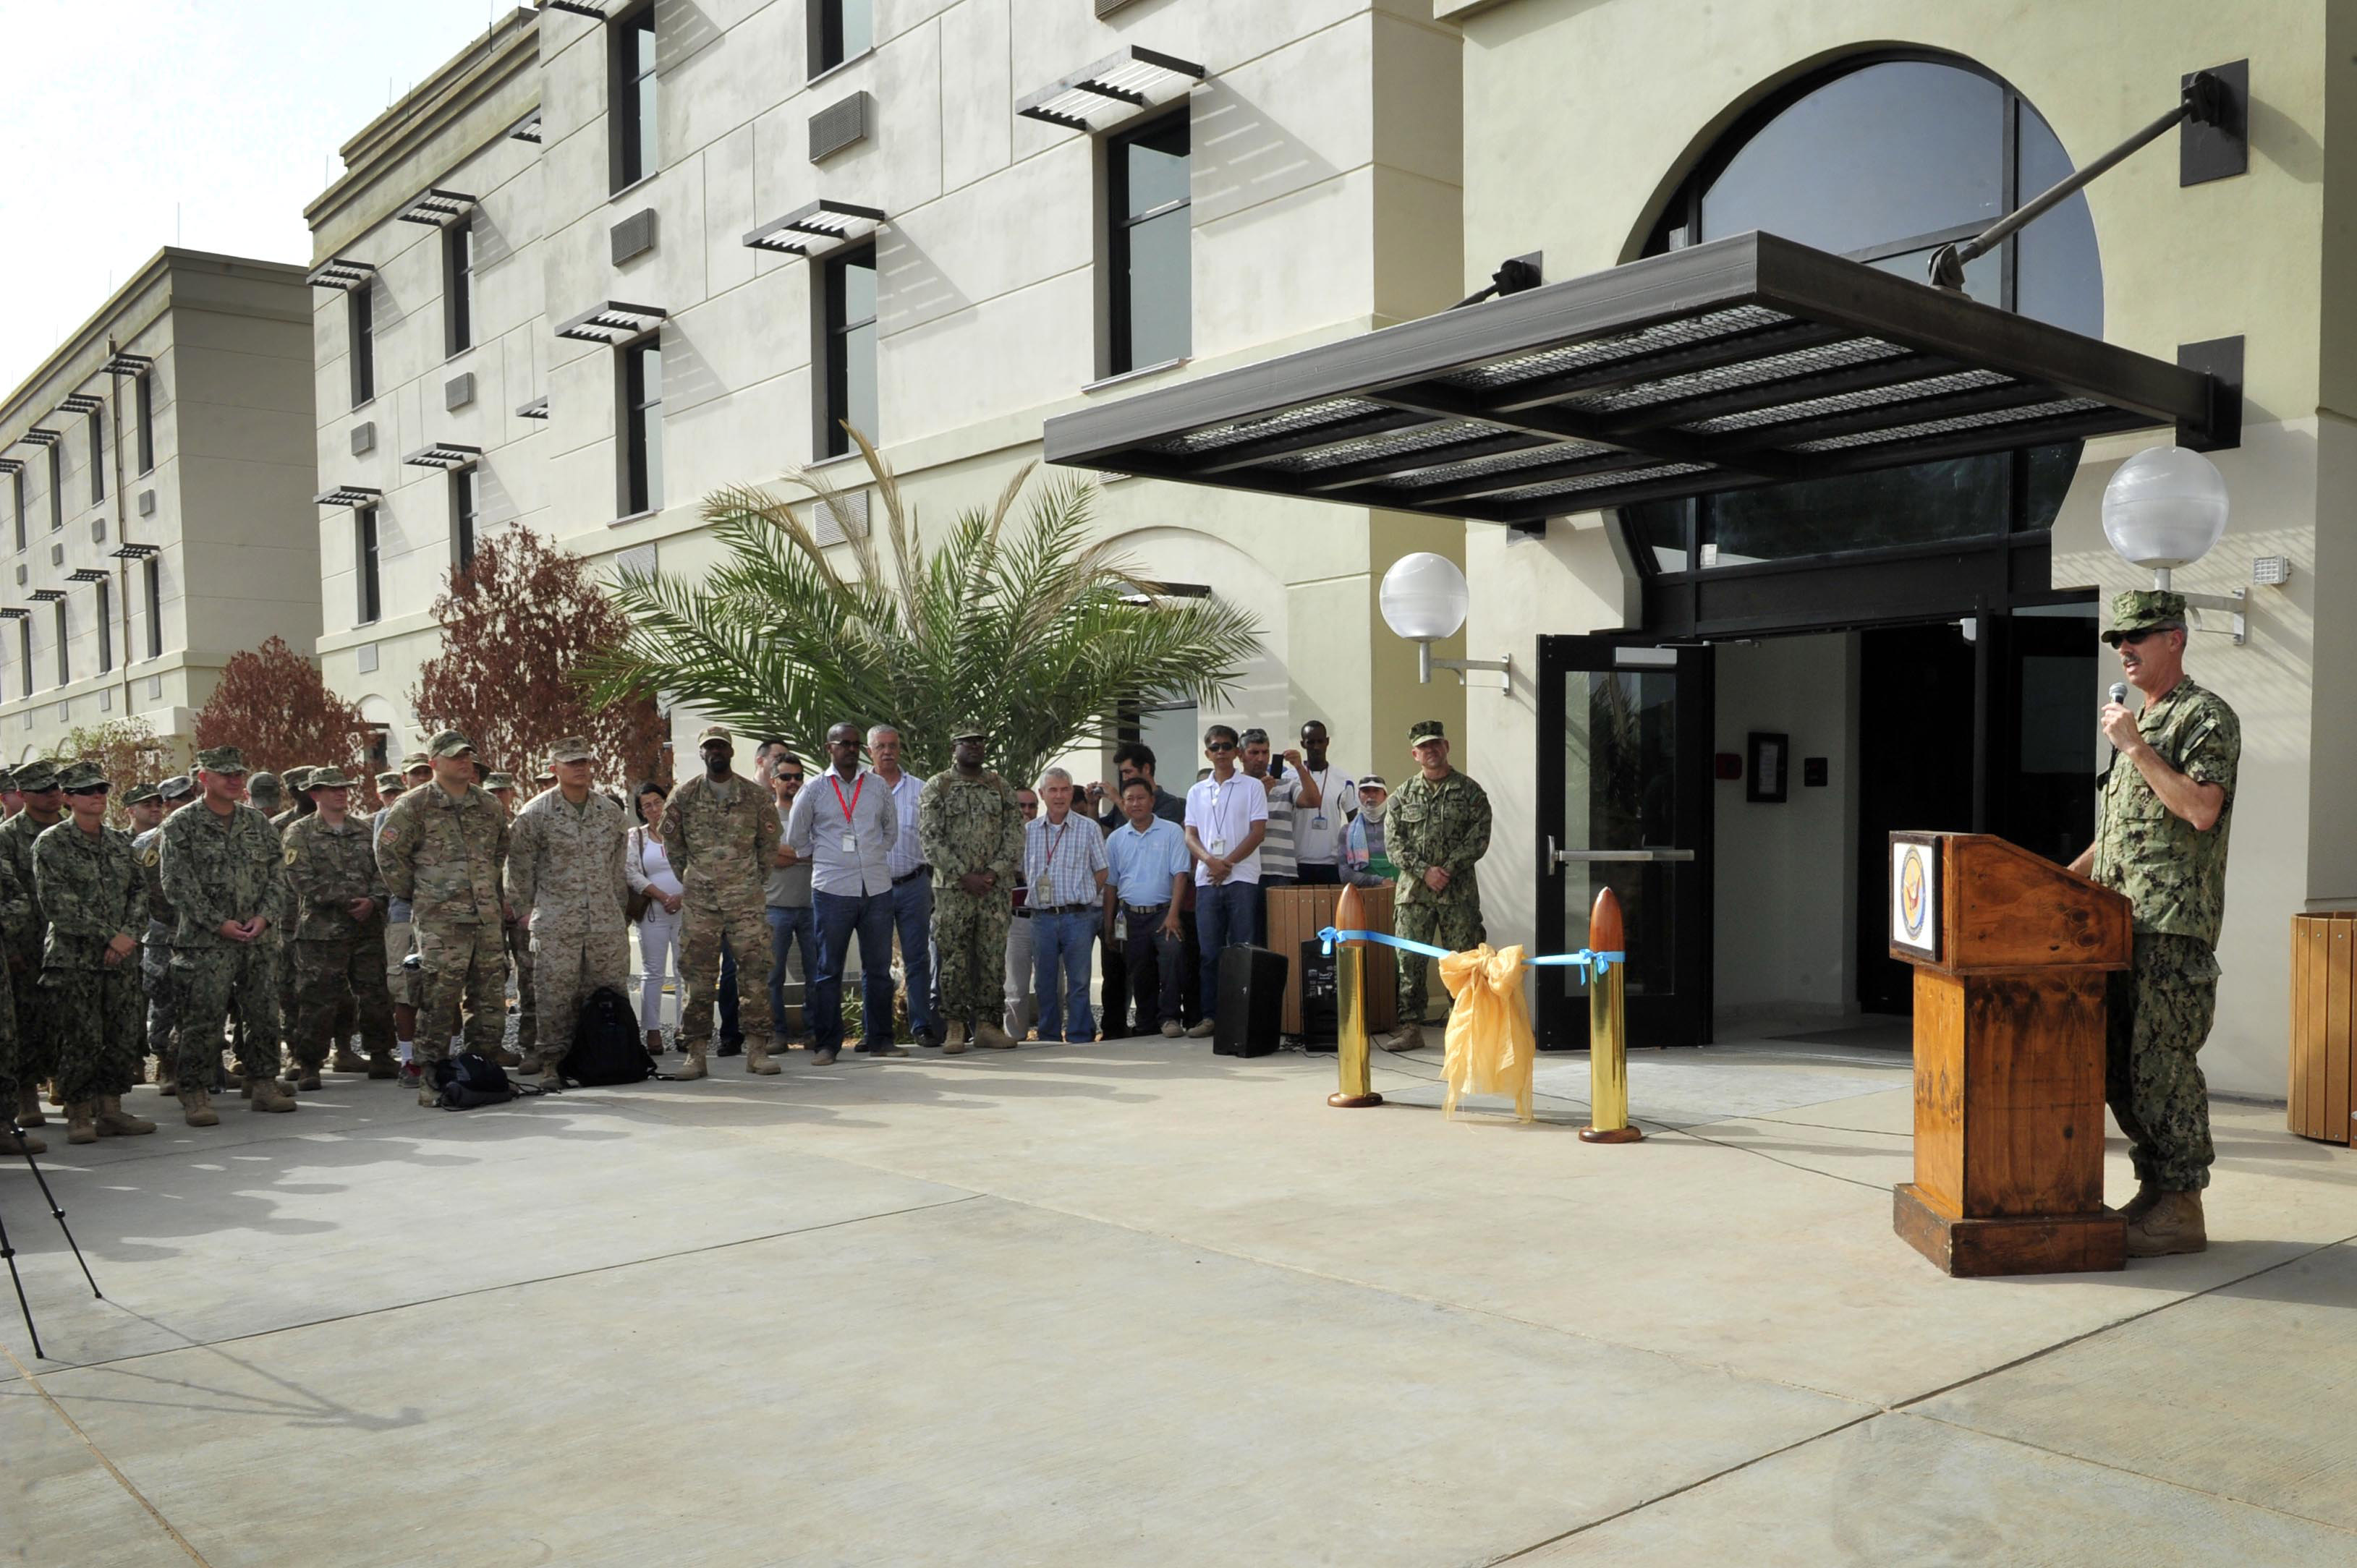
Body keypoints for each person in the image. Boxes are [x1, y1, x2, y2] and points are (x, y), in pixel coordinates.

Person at [2065, 589, 2241, 1258]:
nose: (2124, 648)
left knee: (2161, 1066)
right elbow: (2117, 839)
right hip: (2117, 927)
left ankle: (2182, 1206)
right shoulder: (2139, 721)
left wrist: (2136, 747)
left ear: (2177, 639)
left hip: (2170, 926)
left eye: (2138, 635)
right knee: (2118, 1067)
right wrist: (2059, 879)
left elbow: (2199, 810)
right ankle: (2155, 1192)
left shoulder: (2204, 717)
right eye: (2117, 639)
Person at [158, 746, 295, 1124]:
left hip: (258, 939)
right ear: (204, 778)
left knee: (264, 1013)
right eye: (225, 774)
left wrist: (266, 917)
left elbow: (277, 876)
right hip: (207, 941)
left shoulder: (258, 824)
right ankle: (196, 1091)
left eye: (239, 773)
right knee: (203, 1018)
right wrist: (218, 922)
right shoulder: (180, 825)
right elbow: (176, 884)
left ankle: (264, 1082)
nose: (235, 780)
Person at [375, 730, 511, 1105]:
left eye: (468, 755)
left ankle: (480, 1072)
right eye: (455, 757)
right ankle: (431, 1078)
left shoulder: (488, 805)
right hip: (440, 923)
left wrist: (484, 891)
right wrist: (422, 894)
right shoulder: (413, 806)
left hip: (485, 917)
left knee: (488, 1001)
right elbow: (390, 857)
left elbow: (500, 851)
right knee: (437, 1001)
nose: (465, 762)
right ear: (434, 763)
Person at [37, 760, 154, 1145]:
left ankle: (112, 1110)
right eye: (88, 791)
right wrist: (109, 936)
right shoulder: (52, 843)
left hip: (121, 958)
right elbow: (58, 903)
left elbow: (140, 892)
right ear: (68, 798)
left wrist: (128, 935)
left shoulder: (121, 843)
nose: (98, 796)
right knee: (80, 1038)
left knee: (121, 1034)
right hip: (75, 958)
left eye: (102, 789)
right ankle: (79, 1113)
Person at [506, 737, 632, 1088]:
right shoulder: (534, 815)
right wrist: (527, 913)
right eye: (570, 762)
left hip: (605, 924)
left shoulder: (610, 814)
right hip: (557, 924)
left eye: (584, 762)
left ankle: (606, 1059)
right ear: (553, 769)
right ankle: (552, 1065)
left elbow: (617, 870)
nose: (579, 768)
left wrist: (618, 913)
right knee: (554, 996)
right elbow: (518, 870)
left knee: (608, 994)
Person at [661, 725, 781, 1078]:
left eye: (721, 747)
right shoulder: (683, 797)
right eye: (709, 747)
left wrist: (749, 880)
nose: (716, 752)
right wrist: (696, 878)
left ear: (731, 752)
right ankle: (696, 1054)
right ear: (702, 754)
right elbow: (674, 849)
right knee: (698, 978)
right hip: (701, 903)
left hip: (745, 901)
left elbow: (769, 847)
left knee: (755, 974)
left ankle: (757, 1051)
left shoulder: (755, 797)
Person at [783, 721, 901, 1065]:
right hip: (832, 889)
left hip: (876, 887)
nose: (850, 749)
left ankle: (880, 1039)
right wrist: (829, 856)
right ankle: (827, 1045)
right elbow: (797, 839)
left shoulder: (877, 786)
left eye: (855, 744)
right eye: (843, 743)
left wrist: (871, 856)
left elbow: (889, 831)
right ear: (829, 747)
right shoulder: (815, 790)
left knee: (878, 969)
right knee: (828, 970)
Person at [281, 767, 398, 1088]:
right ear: (314, 794)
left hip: (366, 929)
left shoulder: (364, 830)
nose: (341, 793)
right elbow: (300, 880)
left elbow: (383, 871)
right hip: (322, 932)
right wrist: (349, 902)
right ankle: (309, 1064)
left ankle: (381, 1056)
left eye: (344, 788)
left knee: (375, 994)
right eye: (332, 789)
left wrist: (374, 901)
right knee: (318, 999)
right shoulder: (298, 833)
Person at [1379, 720, 1491, 1053]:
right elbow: (1394, 844)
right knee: (1410, 962)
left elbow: (1480, 837)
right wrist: (1425, 871)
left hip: (1459, 895)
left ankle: (1465, 1029)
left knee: (1464, 961)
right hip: (1414, 895)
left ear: (1446, 747)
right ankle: (1411, 1027)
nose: (1431, 751)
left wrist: (1449, 869)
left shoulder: (1471, 792)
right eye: (1424, 747)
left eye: (1436, 744)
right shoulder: (1401, 797)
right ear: (1415, 754)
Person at [918, 724, 1024, 1052]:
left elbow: (1015, 833)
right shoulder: (939, 786)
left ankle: (988, 1026)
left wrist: (993, 873)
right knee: (953, 958)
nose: (976, 746)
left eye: (980, 741)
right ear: (954, 747)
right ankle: (954, 1027)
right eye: (968, 742)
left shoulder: (999, 785)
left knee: (992, 958)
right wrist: (964, 874)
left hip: (994, 890)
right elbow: (930, 838)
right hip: (953, 890)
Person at [1091, 743, 1194, 1034]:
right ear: (1123, 804)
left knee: (1173, 960)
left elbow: (1180, 875)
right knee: (1140, 971)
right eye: (1129, 800)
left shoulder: (1172, 831)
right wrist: (1109, 923)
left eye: (1140, 798)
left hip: (1164, 914)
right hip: (1130, 916)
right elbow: (1111, 886)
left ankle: (1170, 1017)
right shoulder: (1116, 840)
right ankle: (1147, 1023)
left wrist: (1174, 915)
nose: (1136, 804)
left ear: (1151, 800)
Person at [1182, 725, 1268, 1040]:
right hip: (1208, 881)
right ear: (1208, 753)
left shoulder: (1252, 787)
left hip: (1242, 877)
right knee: (1209, 953)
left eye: (1227, 746)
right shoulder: (1196, 792)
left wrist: (1227, 863)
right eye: (1215, 747)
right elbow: (1190, 835)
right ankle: (1210, 1017)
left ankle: (1243, 1017)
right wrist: (1210, 862)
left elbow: (1258, 832)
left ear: (1237, 752)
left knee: (1243, 949)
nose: (1221, 752)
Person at [0, 760, 66, 1126]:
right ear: (22, 795)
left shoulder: (74, 830)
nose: (52, 795)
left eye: (55, 788)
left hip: (71, 942)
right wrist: (10, 949)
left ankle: (69, 1087)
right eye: (43, 790)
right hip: (27, 944)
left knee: (71, 1019)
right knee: (27, 1022)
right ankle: (28, 1095)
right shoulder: (7, 837)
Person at [1025, 767, 1108, 1044]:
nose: (1059, 796)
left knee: (1080, 982)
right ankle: (1048, 1036)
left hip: (1078, 916)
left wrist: (1084, 894)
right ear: (1042, 795)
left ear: (1072, 793)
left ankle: (1080, 1034)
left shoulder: (1088, 828)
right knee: (1045, 983)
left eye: (1064, 790)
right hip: (1042, 918)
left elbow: (1102, 871)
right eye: (1053, 790)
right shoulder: (1029, 831)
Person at [868, 723, 939, 1046]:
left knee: (918, 958)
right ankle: (876, 1032)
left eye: (893, 746)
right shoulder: (859, 788)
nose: (887, 752)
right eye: (881, 746)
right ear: (869, 751)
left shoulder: (922, 789)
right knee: (876, 962)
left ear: (900, 749)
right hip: (874, 886)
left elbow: (936, 834)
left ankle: (922, 1025)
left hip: (914, 884)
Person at [377, 754, 430, 1074]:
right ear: (405, 778)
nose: (422, 778)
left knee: (444, 986)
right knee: (405, 988)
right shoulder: (392, 815)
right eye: (416, 773)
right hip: (405, 910)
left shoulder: (448, 810)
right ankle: (409, 1060)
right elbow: (387, 864)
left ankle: (446, 1056)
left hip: (445, 915)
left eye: (426, 771)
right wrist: (420, 893)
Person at [484, 770, 538, 1071]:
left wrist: (517, 905)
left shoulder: (522, 825)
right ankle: (488, 1046)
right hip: (487, 914)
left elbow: (527, 869)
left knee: (528, 978)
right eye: (492, 791)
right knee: (489, 981)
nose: (498, 797)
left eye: (502, 791)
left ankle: (531, 1045)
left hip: (519, 913)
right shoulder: (478, 826)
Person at [763, 754, 818, 1047]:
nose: (793, 782)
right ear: (774, 782)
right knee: (772, 976)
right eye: (786, 777)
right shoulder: (766, 817)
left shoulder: (812, 813)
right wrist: (801, 853)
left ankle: (813, 1032)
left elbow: (821, 849)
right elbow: (767, 853)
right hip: (776, 908)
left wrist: (786, 853)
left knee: (816, 974)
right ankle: (777, 1033)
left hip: (813, 906)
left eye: (798, 776)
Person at [627, 781, 684, 1056]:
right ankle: (652, 1030)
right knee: (653, 972)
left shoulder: (683, 833)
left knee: (685, 969)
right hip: (653, 913)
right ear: (641, 810)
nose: (654, 809)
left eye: (658, 802)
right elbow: (632, 873)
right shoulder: (636, 838)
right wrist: (662, 896)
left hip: (685, 909)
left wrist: (681, 897)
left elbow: (696, 865)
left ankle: (685, 1028)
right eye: (647, 805)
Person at [1291, 720, 1354, 887]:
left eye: (1320, 741)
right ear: (1303, 744)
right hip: (1297, 863)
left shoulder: (1344, 779)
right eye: (1311, 742)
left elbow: (1354, 823)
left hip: (1331, 864)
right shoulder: (1290, 777)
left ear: (1327, 742)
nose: (1316, 747)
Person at [1003, 785, 1039, 1041]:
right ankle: (1014, 1038)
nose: (1027, 811)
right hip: (1016, 920)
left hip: (1046, 918)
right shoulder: (1001, 837)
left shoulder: (1046, 833)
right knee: (1015, 988)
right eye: (1021, 806)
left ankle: (1051, 1037)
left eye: (1032, 806)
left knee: (1053, 985)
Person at [1342, 775, 1393, 887]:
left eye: (1376, 791)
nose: (1371, 796)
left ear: (1385, 795)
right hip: (1363, 896)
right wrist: (1380, 881)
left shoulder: (1398, 827)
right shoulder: (1347, 832)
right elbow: (1345, 873)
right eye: (1366, 791)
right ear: (1359, 796)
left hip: (1399, 893)